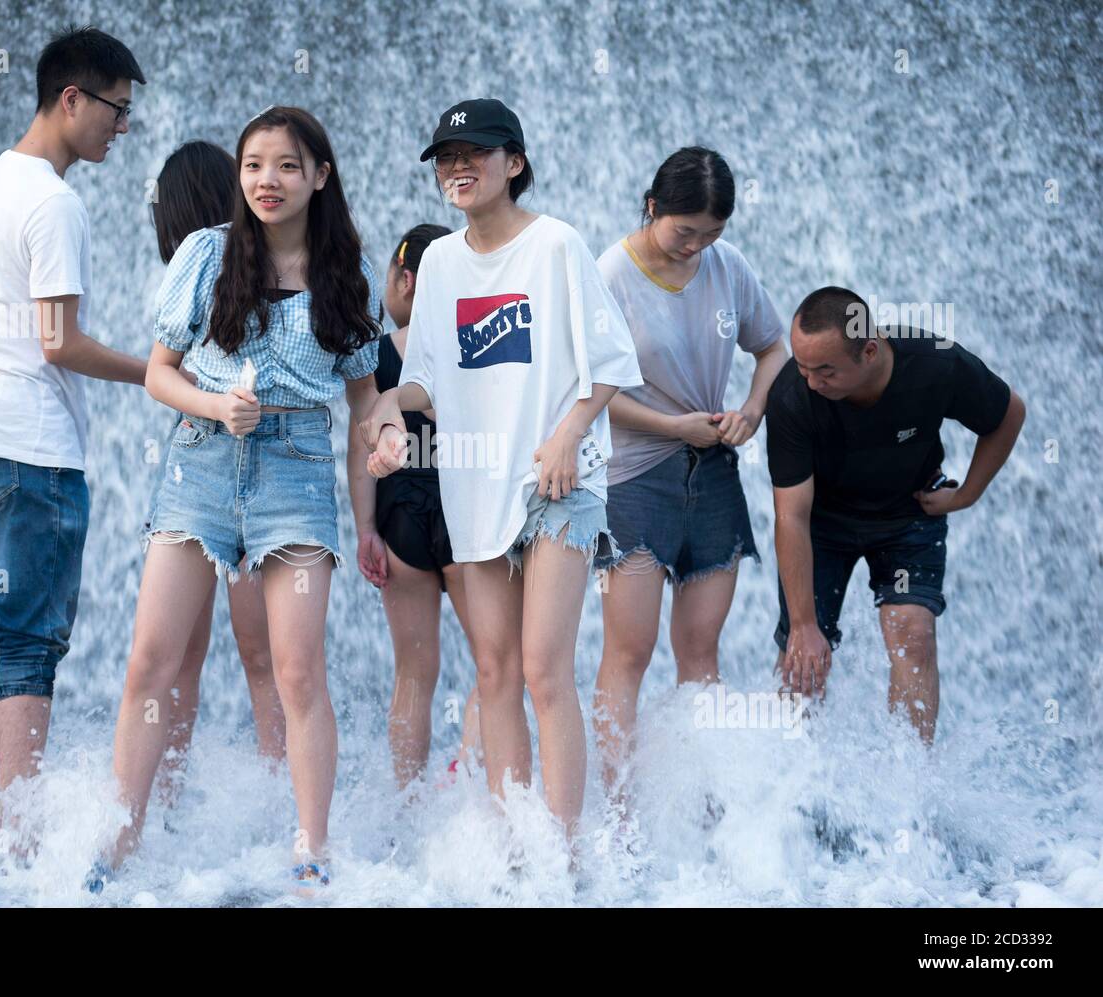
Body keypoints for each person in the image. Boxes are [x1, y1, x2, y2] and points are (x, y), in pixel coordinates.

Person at [92, 106, 385, 892]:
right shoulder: (205, 254)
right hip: (201, 464)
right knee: (149, 662)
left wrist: (381, 460)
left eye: (287, 165)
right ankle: (119, 841)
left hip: (295, 470)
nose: (267, 180)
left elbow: (367, 405)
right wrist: (215, 406)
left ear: (319, 176)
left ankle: (310, 849)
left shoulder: (344, 275)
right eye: (253, 165)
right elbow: (160, 372)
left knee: (297, 669)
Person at [362, 98, 643, 849]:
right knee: (495, 673)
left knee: (545, 670)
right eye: (445, 157)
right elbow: (422, 378)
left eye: (474, 153)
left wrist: (567, 436)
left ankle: (567, 854)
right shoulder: (442, 263)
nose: (458, 167)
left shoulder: (556, 245)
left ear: (512, 162)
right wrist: (388, 407)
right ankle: (516, 852)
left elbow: (612, 361)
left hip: (558, 483)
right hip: (475, 491)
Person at [0, 25, 147, 855]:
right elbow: (61, 342)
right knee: (30, 644)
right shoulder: (56, 200)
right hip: (29, 452)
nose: (120, 131)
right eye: (116, 113)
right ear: (71, 99)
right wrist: (161, 378)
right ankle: (17, 846)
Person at [591, 147, 788, 803]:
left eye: (711, 233)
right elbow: (586, 392)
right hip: (633, 480)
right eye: (685, 232)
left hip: (713, 474)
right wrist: (675, 427)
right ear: (653, 206)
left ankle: (705, 808)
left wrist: (753, 409)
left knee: (701, 649)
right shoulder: (611, 275)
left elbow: (773, 346)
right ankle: (620, 810)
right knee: (630, 654)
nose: (695, 246)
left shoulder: (726, 268)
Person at [766, 286, 1025, 742]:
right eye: (803, 366)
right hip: (821, 526)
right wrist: (804, 626)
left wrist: (967, 493)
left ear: (869, 350)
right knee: (801, 654)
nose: (810, 381)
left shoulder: (935, 365)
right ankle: (788, 792)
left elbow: (1009, 413)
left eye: (824, 370)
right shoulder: (792, 394)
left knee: (914, 635)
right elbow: (791, 516)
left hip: (907, 517)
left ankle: (907, 789)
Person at [145, 142, 286, 814]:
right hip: (212, 469)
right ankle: (270, 799)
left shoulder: (233, 264)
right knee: (241, 657)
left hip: (232, 469)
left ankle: (168, 800)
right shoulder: (220, 268)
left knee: (187, 659)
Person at [351, 224, 482, 789]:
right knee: (498, 665)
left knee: (413, 673)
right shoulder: (474, 344)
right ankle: (468, 781)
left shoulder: (377, 356)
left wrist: (365, 531)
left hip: (399, 513)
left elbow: (360, 451)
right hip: (467, 514)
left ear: (406, 279)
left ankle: (408, 804)